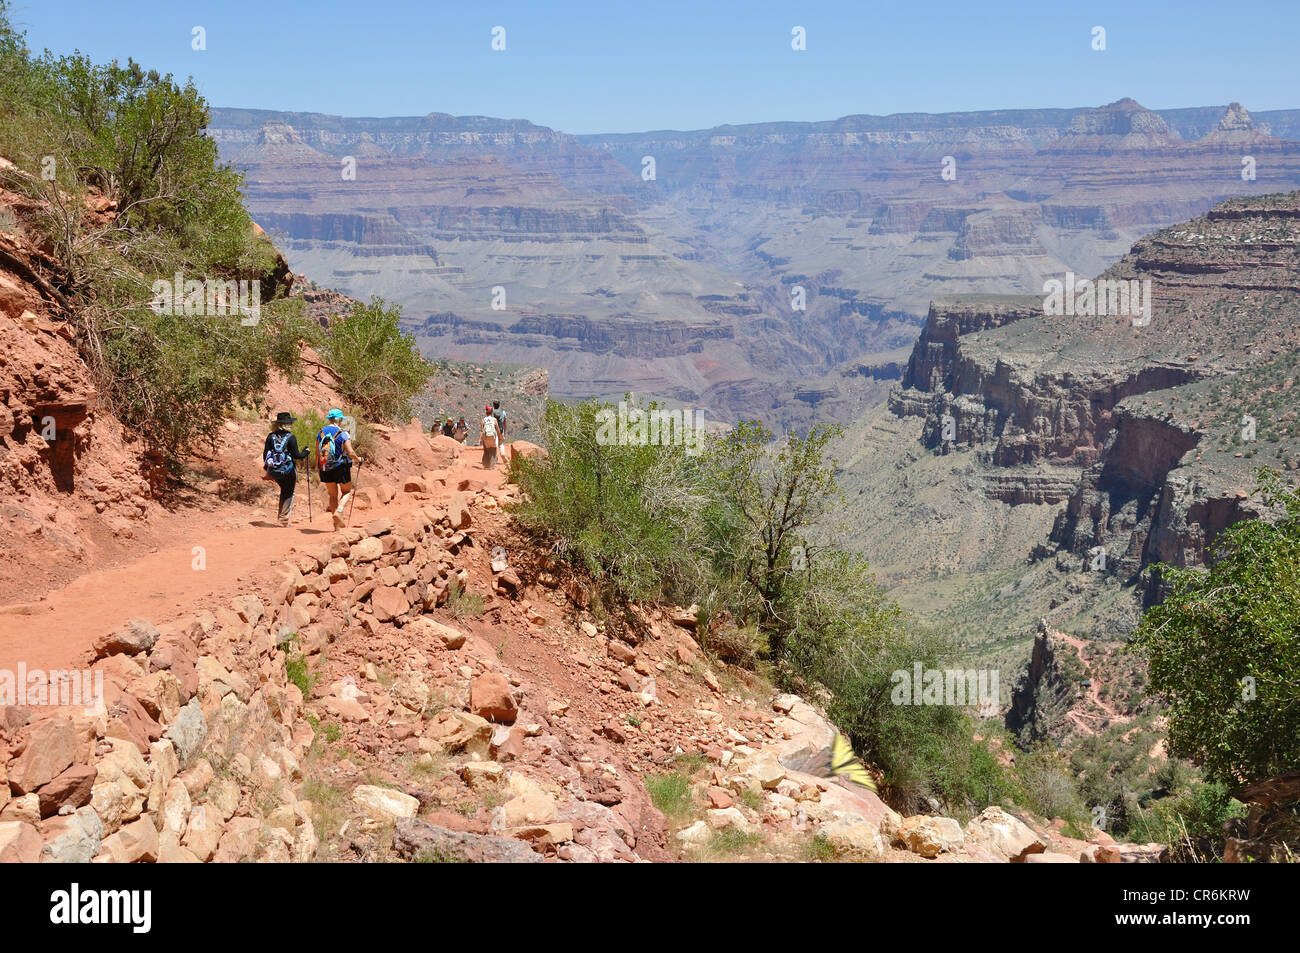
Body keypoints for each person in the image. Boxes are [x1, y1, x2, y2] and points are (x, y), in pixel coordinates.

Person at [317, 409, 363, 530]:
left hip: (325, 467)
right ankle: (339, 511)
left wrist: (319, 468)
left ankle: (336, 526)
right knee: (347, 492)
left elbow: (317, 452)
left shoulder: (321, 432)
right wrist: (358, 459)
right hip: (341, 467)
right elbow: (350, 452)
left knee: (332, 496)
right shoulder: (343, 433)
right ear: (340, 419)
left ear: (330, 419)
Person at [263, 412, 309, 527]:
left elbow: (265, 455)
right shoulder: (290, 437)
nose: (290, 424)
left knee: (284, 490)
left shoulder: (270, 436)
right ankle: (283, 520)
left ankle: (281, 518)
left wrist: (269, 469)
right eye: (289, 423)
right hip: (288, 470)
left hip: (274, 471)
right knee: (289, 493)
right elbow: (297, 455)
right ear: (285, 424)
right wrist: (306, 452)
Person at [480, 404, 500, 469]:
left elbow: (481, 430)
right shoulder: (494, 419)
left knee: (486, 450)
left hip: (485, 437)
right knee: (493, 450)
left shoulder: (483, 420)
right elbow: (497, 429)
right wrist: (499, 437)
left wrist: (480, 439)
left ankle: (486, 465)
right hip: (492, 437)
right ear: (492, 412)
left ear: (486, 412)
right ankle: (492, 465)